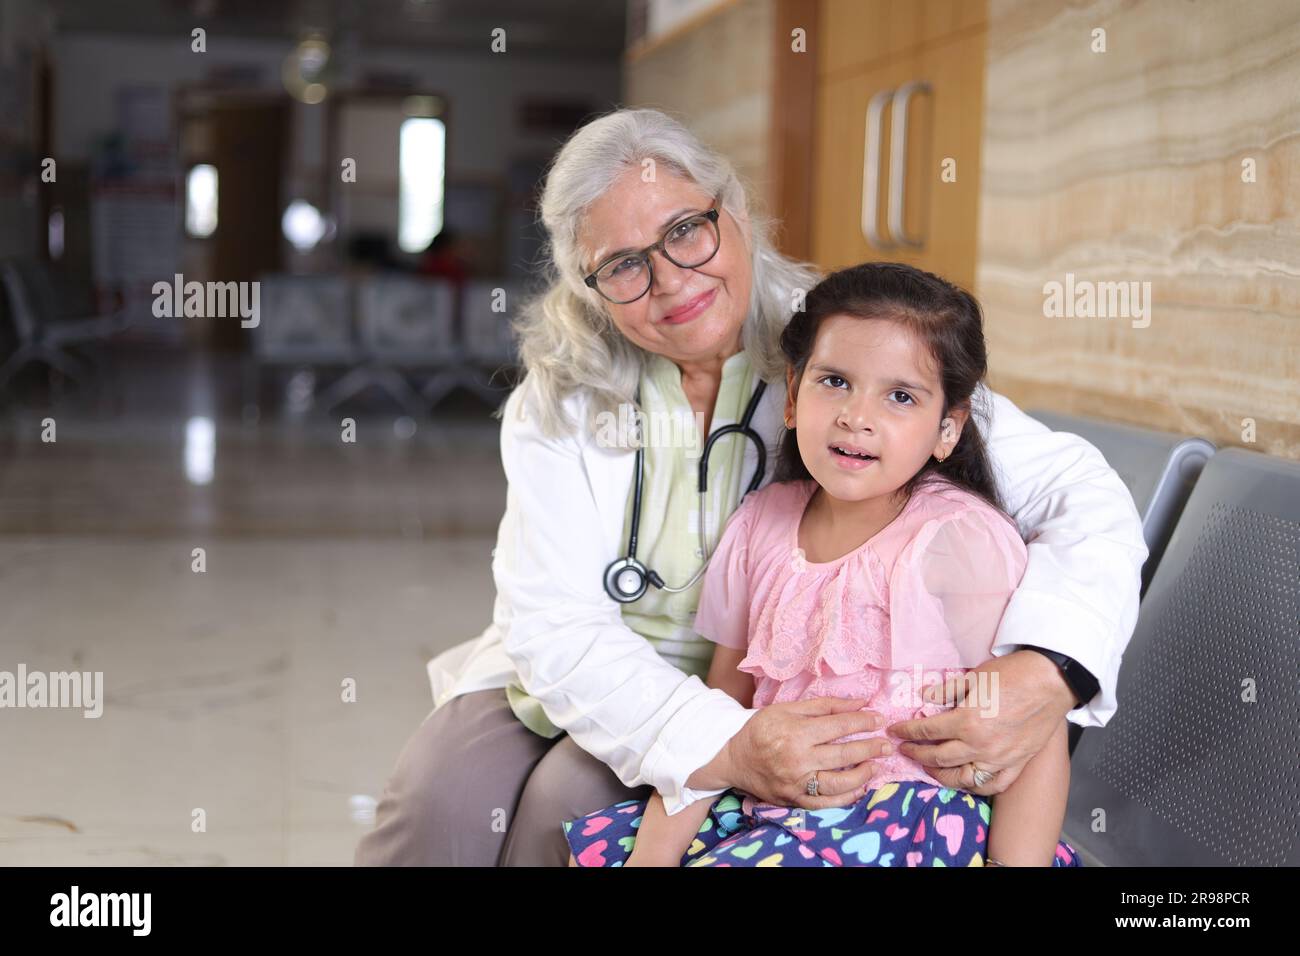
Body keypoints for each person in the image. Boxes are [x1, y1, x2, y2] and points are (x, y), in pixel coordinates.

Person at [353, 108, 1147, 867]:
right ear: (587, 286)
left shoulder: (843, 343)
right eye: (624, 265)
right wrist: (725, 743)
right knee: (437, 801)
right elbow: (554, 624)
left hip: (765, 687)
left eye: (684, 231)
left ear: (732, 209)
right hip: (580, 679)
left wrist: (1050, 669)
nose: (669, 281)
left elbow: (1080, 494)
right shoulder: (560, 397)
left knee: (565, 810)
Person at [564, 262, 1078, 867]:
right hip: (774, 804)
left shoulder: (955, 539)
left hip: (912, 820)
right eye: (834, 381)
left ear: (947, 429)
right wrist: (652, 857)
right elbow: (718, 712)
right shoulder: (759, 523)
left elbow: (1030, 727)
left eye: (900, 396)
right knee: (598, 855)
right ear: (791, 396)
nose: (857, 416)